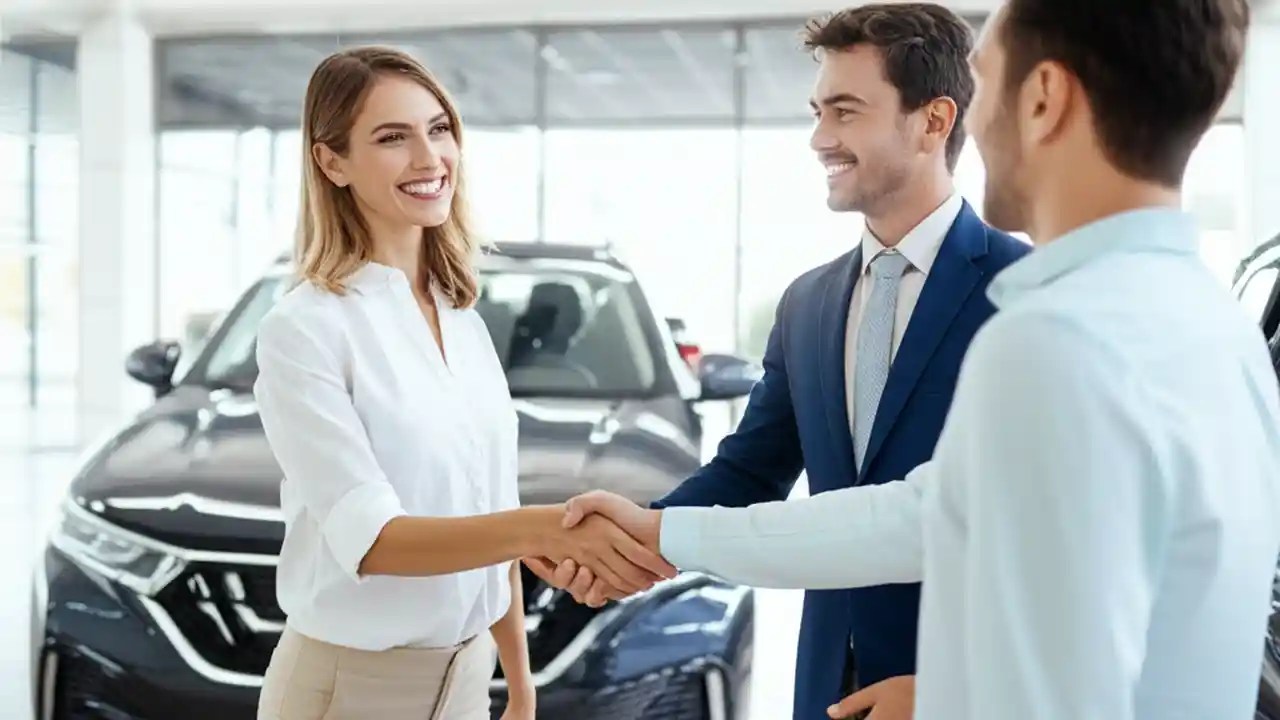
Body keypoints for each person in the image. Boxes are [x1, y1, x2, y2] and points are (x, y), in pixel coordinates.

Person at [541, 1, 1280, 719]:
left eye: (985, 81)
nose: (977, 118)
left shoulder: (1052, 334)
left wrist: (948, 700)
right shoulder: (1222, 330)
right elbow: (928, 517)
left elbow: (1066, 657)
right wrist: (658, 533)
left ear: (1044, 97)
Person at [527, 5, 1030, 719]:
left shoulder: (1024, 296)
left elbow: (1043, 543)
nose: (821, 138)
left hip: (966, 686)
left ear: (933, 121)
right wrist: (638, 541)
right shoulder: (809, 304)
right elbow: (751, 472)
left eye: (847, 111)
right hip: (827, 685)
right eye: (818, 111)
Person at [252, 47, 674, 720]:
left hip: (469, 680)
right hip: (351, 691)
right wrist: (549, 530)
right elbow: (376, 540)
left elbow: (484, 511)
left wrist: (519, 681)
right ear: (332, 163)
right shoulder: (305, 329)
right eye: (393, 138)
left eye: (439, 128)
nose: (429, 158)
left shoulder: (461, 319)